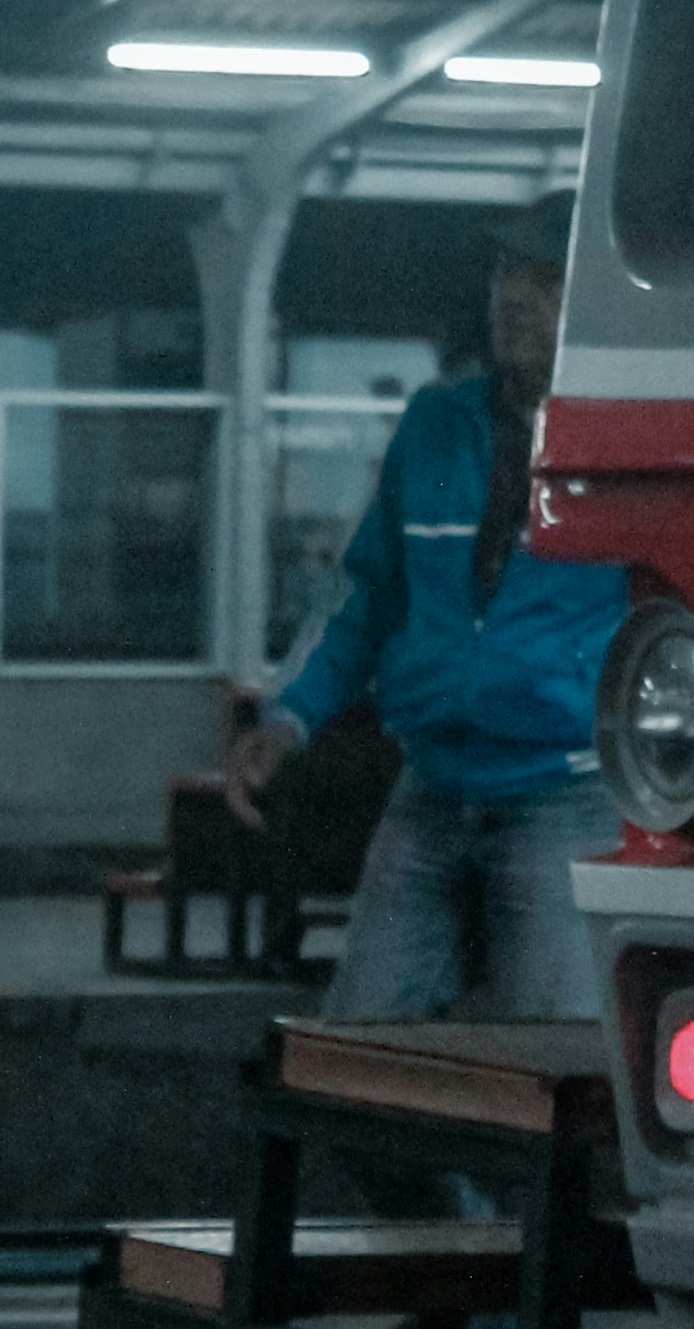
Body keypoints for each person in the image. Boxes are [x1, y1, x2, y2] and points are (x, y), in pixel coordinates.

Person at [226, 190, 628, 1030]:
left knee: (553, 1068)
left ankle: (495, 1165)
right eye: (507, 275)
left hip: (567, 796)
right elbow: (365, 596)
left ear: (595, 301)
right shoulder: (435, 424)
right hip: (433, 784)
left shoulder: (634, 443)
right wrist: (289, 716)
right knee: (359, 1059)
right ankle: (455, 1172)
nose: (515, 297)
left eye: (546, 281)